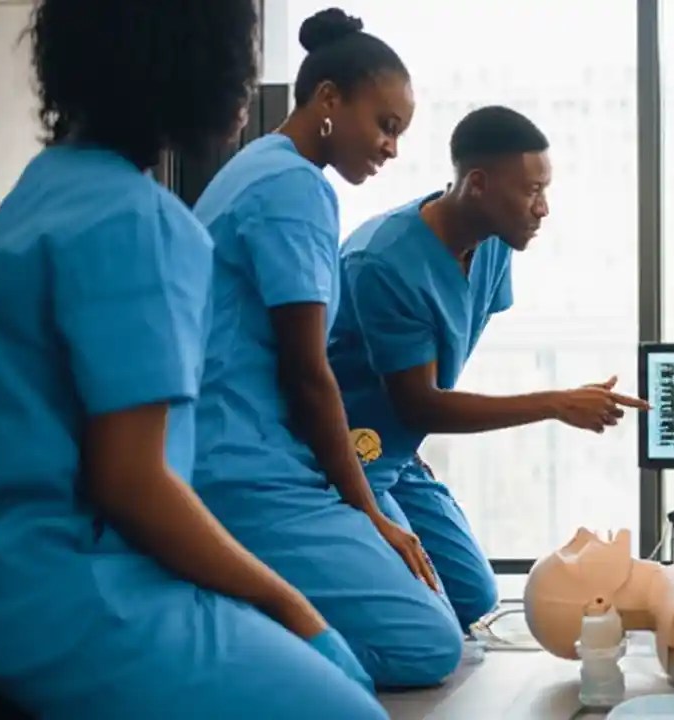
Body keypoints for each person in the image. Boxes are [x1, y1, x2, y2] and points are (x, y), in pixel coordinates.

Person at [0, 1, 384, 718]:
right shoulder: (143, 221)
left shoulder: (36, 194)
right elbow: (134, 483)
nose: (248, 81)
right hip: (70, 592)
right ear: (195, 65)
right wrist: (293, 609)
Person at [190, 8, 453, 689]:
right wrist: (363, 509)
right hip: (241, 468)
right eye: (385, 125)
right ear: (329, 99)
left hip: (245, 449)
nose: (391, 148)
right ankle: (212, 644)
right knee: (429, 647)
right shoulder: (295, 187)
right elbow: (308, 374)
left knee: (447, 596)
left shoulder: (259, 166)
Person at [329, 105, 650, 633]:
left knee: (474, 596)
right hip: (345, 457)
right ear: (477, 184)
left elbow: (430, 368)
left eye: (546, 190)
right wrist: (557, 403)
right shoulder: (382, 261)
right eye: (532, 191)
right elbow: (419, 403)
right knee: (427, 627)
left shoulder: (494, 246)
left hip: (396, 451)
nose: (543, 208)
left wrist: (408, 443)